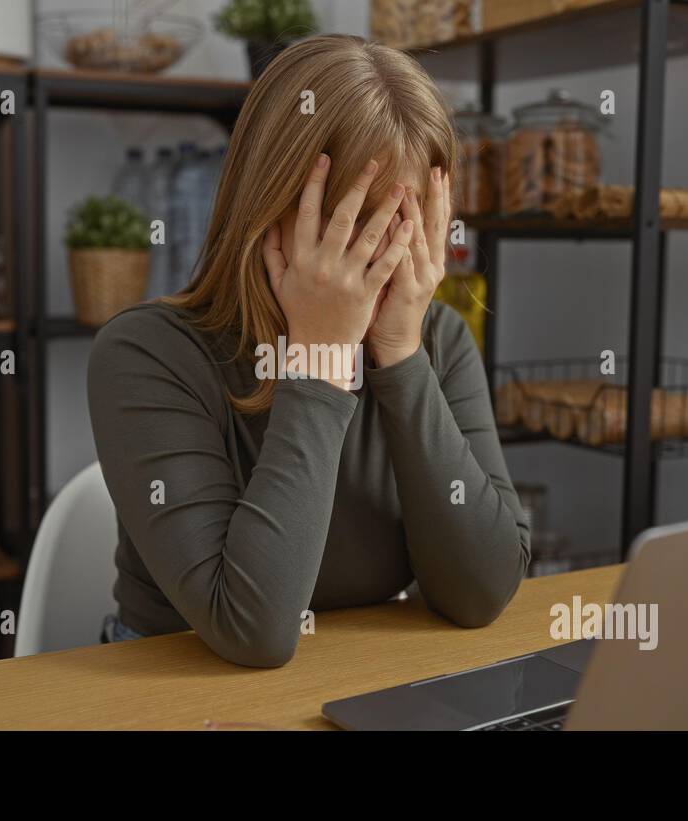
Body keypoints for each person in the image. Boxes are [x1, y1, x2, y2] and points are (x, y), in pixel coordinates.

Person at [87, 34, 530, 667]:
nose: (381, 263)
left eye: (405, 226)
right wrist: (320, 360)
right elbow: (252, 630)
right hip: (180, 682)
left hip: (352, 669)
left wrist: (402, 358)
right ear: (268, 208)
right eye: (355, 226)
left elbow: (481, 592)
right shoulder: (145, 354)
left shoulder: (436, 340)